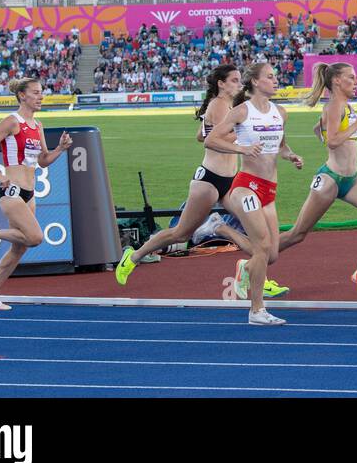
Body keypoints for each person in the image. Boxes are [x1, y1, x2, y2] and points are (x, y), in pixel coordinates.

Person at [113, 64, 288, 297]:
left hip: (232, 181)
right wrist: (251, 133)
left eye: (239, 80)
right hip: (209, 180)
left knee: (258, 234)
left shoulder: (231, 106)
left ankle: (255, 273)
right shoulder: (219, 104)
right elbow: (216, 137)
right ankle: (133, 256)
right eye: (234, 80)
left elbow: (200, 135)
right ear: (221, 84)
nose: (239, 84)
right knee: (182, 234)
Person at [277, 62, 357, 296]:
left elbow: (319, 131)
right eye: (351, 78)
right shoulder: (335, 106)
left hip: (351, 180)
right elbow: (332, 141)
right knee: (297, 234)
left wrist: (329, 128)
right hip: (329, 180)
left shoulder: (345, 106)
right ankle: (251, 265)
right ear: (337, 81)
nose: (356, 82)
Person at [204, 62, 304, 325]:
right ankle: (256, 310)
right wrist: (242, 150)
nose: (275, 80)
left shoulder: (280, 113)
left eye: (275, 75)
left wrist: (290, 155)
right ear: (256, 83)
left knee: (271, 255)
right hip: (246, 186)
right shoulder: (240, 112)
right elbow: (210, 139)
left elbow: (280, 145)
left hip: (269, 189)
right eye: (270, 77)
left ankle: (225, 234)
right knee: (261, 247)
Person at [0, 77, 74, 311]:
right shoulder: (12, 122)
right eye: (36, 93)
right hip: (12, 191)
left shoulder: (37, 126)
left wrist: (60, 148)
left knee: (20, 248)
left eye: (41, 93)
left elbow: (44, 161)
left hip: (29, 193)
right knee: (35, 238)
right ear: (22, 96)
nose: (41, 97)